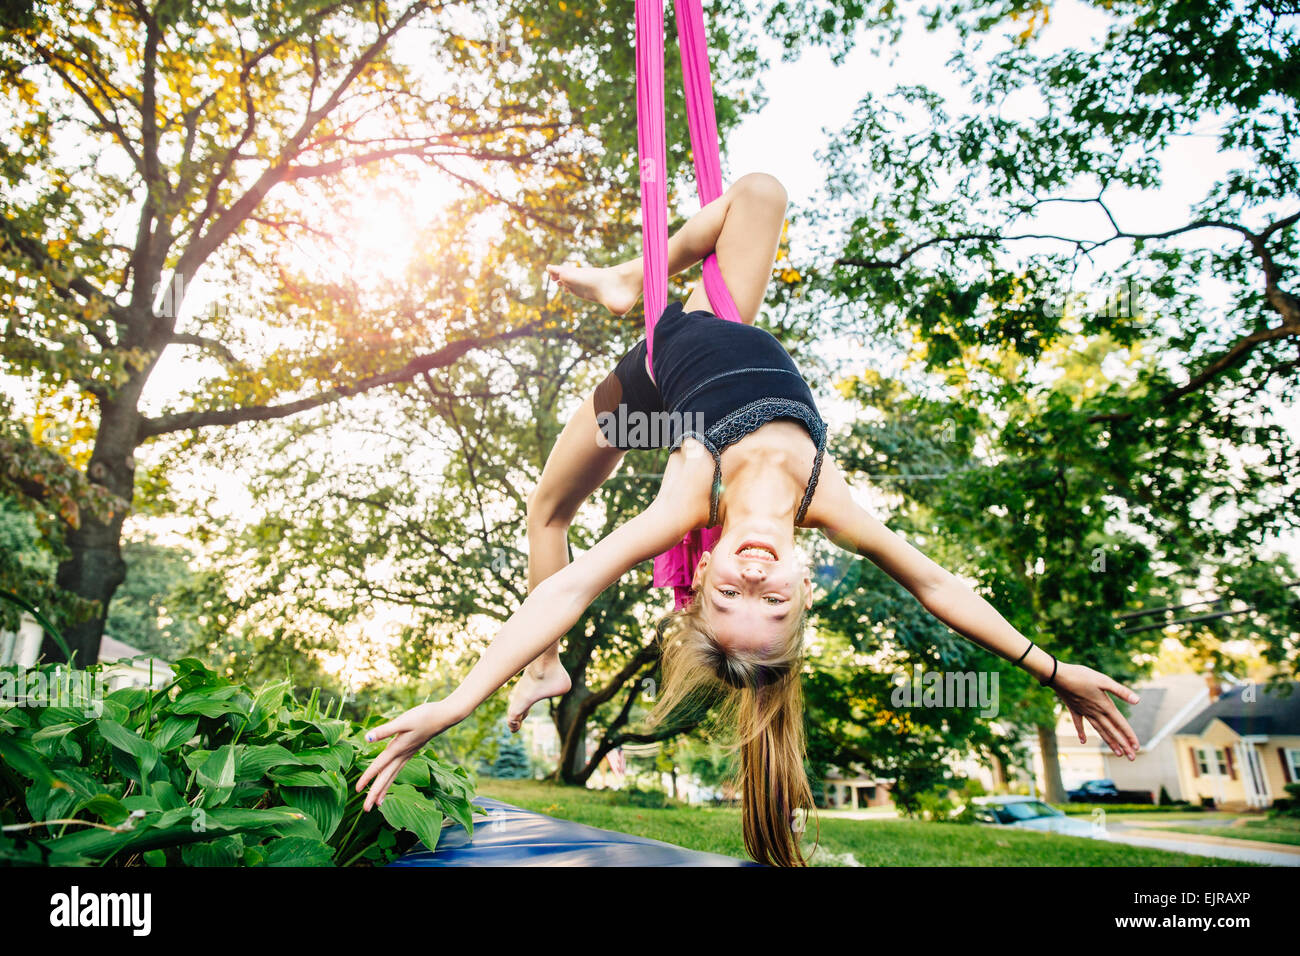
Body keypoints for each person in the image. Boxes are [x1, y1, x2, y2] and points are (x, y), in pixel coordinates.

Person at [357, 172, 1142, 866]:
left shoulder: (690, 496)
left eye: (731, 598)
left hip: (650, 384)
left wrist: (458, 702)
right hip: (717, 320)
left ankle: (544, 668)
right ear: (806, 586)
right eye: (775, 601)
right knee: (763, 193)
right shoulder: (827, 502)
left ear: (701, 578)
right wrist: (1051, 667)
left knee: (547, 509)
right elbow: (936, 585)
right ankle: (635, 277)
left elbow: (569, 590)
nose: (755, 579)